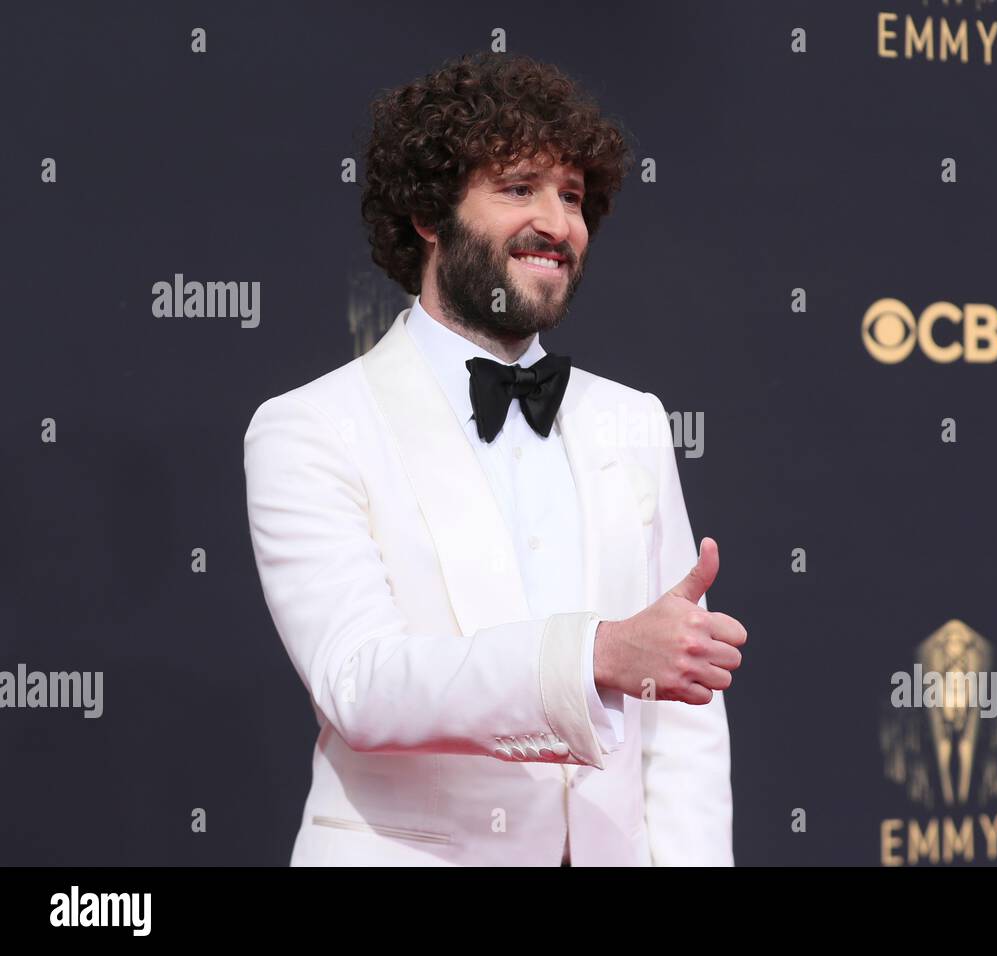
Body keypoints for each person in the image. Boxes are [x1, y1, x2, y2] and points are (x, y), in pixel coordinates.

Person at [242, 51, 746, 866]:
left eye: (574, 196)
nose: (558, 222)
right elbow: (362, 684)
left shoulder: (635, 420)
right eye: (519, 188)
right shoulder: (308, 427)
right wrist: (597, 654)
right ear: (429, 214)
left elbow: (680, 717)